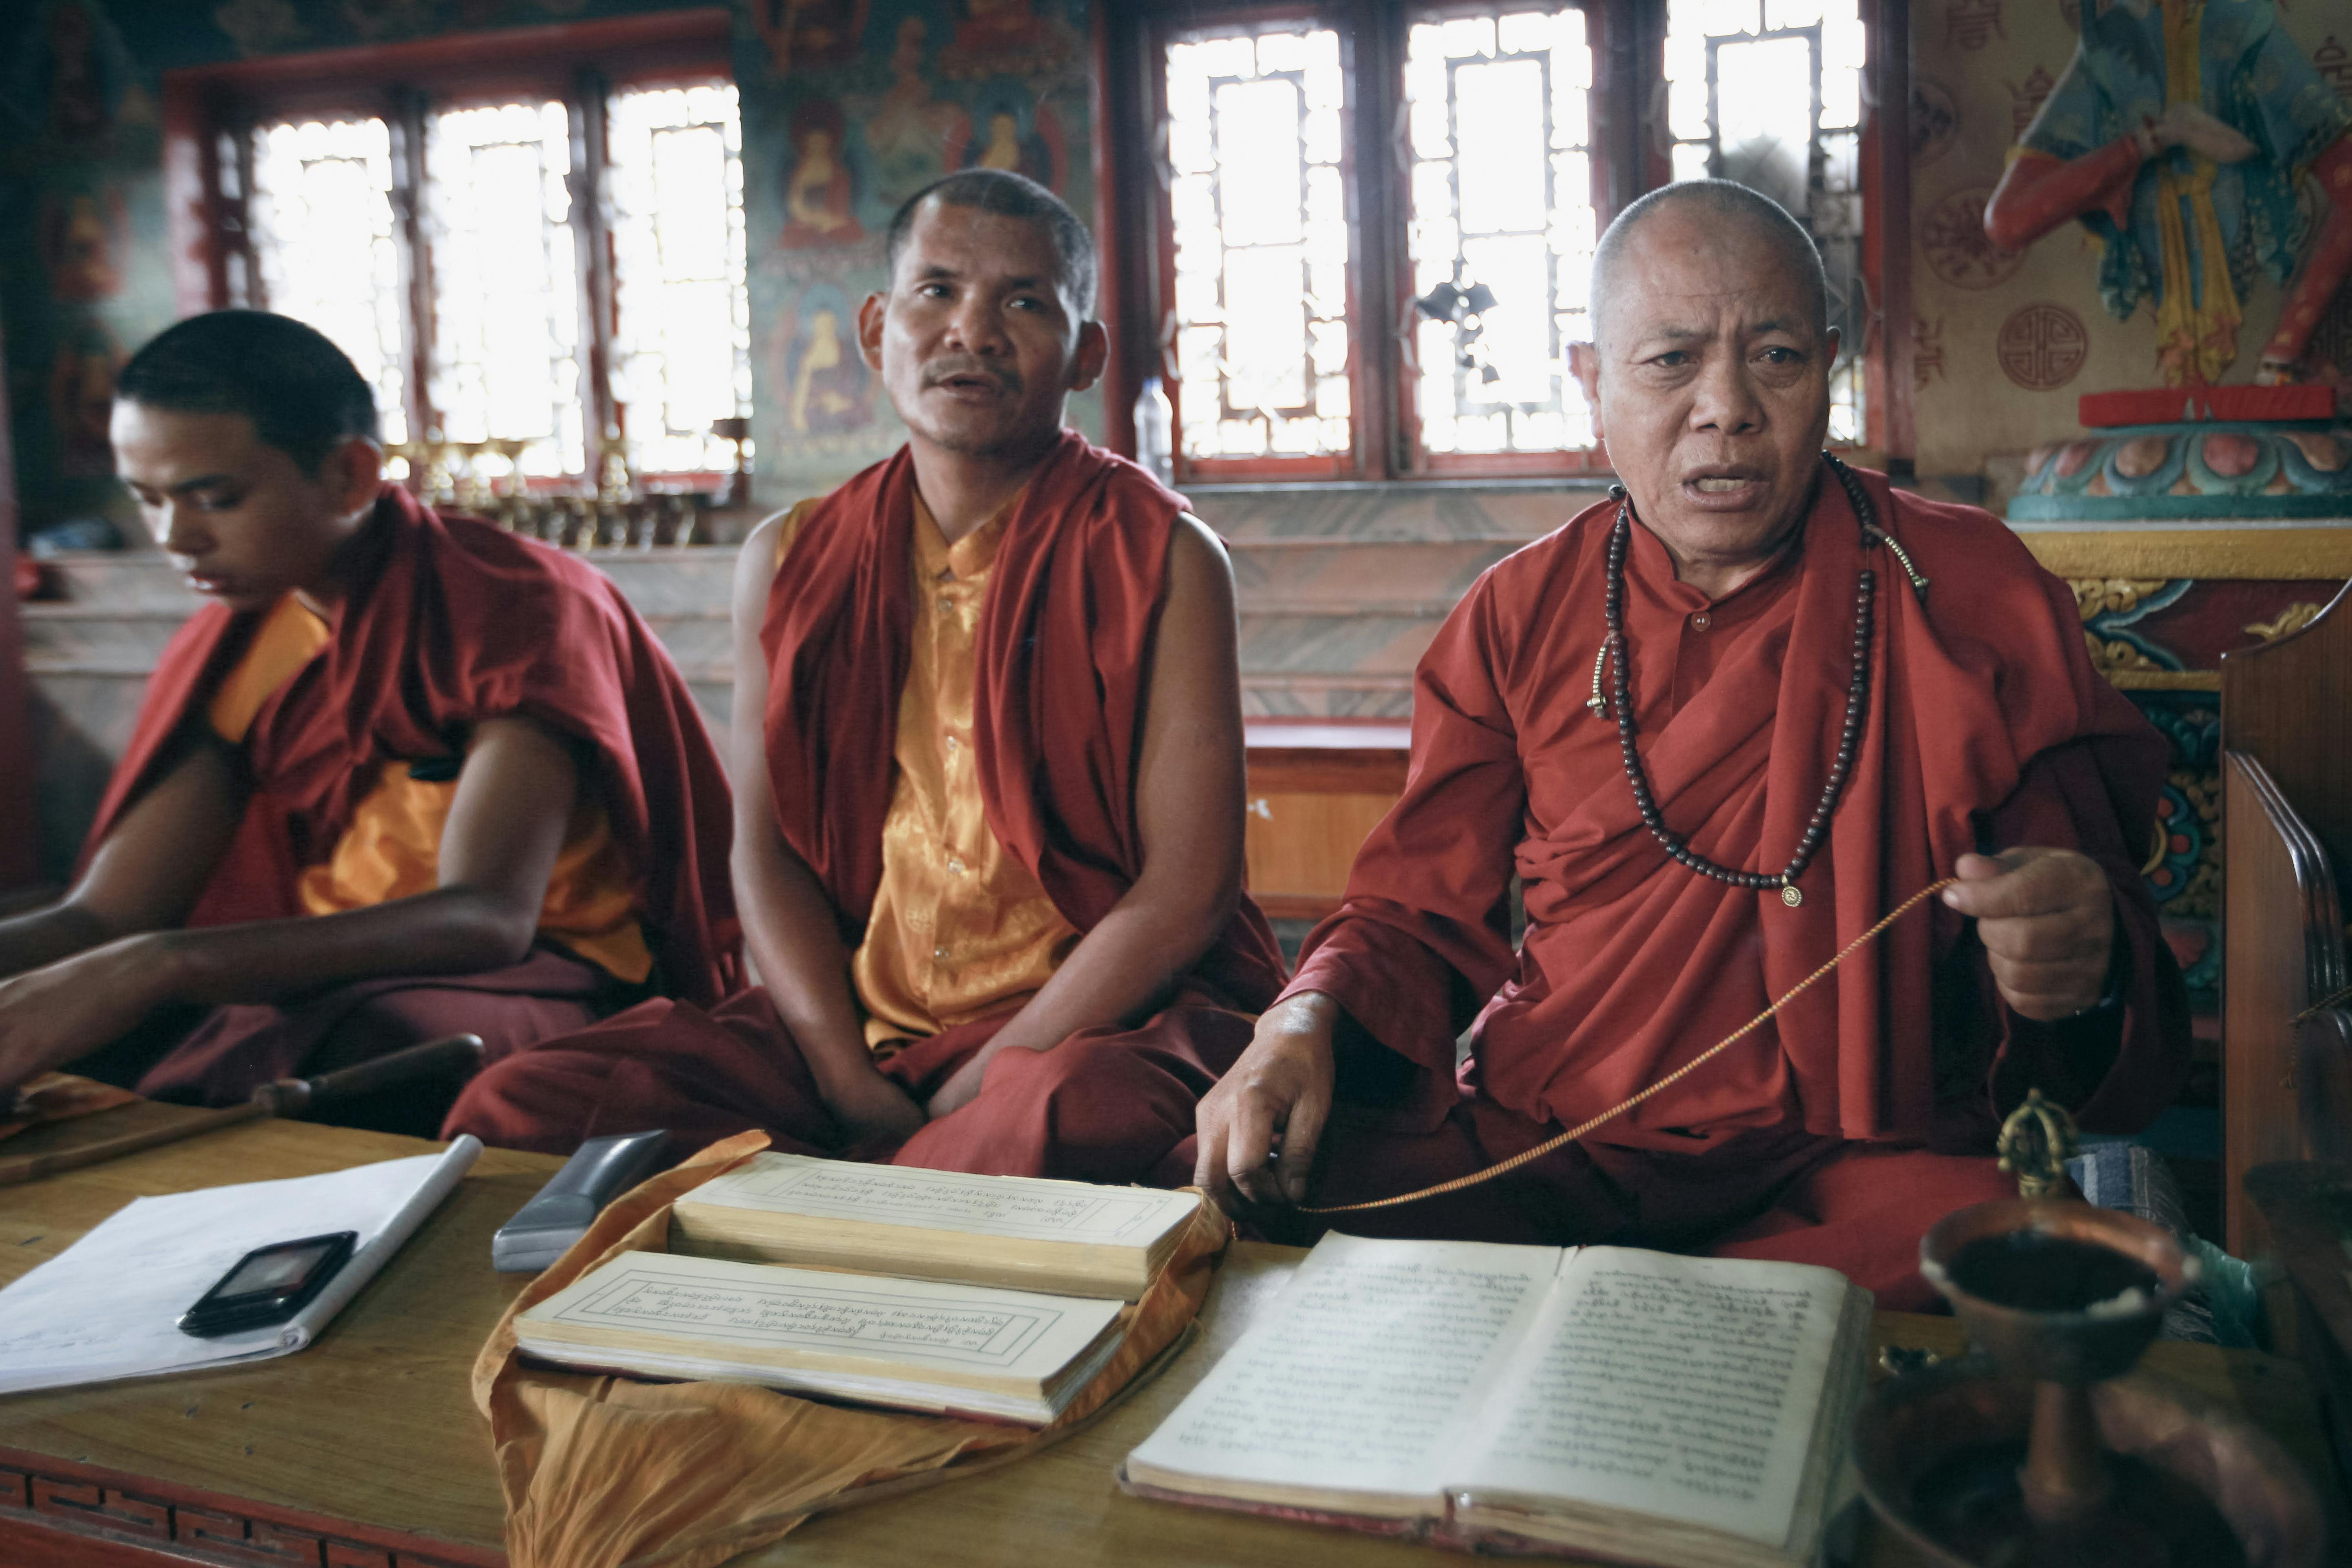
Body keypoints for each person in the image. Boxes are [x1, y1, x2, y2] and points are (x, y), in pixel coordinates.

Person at [1195, 182, 2191, 1312]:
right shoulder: (1517, 614)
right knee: (1250, 1195)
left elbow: (2086, 919)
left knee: (1983, 1256)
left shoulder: (1971, 593)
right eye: (1671, 361)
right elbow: (1411, 917)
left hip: (1852, 1167)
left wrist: (2083, 953)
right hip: (1553, 1149)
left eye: (1774, 357)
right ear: (1593, 382)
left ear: (1830, 371)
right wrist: (1298, 1023)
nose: (1727, 408)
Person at [447, 170, 1286, 1182]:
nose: (970, 330)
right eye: (936, 291)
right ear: (874, 327)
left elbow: (1185, 892)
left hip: (1085, 1028)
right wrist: (841, 1074)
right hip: (858, 1026)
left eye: (1023, 302)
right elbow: (762, 852)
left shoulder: (1161, 555)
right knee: (524, 1102)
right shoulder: (792, 555)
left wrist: (979, 1084)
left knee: (1066, 1120)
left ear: (1085, 354)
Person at [0, 311, 737, 1114]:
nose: (177, 538)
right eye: (148, 501)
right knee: (86, 1032)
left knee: (343, 1046)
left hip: (545, 976)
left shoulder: (520, 608)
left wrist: (159, 964)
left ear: (350, 476)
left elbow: (487, 918)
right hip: (336, 970)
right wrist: (115, 967)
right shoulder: (239, 645)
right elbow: (109, 917)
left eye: (213, 498)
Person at [1984, 0, 2352, 385]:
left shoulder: (2246, 30)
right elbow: (2007, 222)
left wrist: (2285, 349)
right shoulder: (2109, 45)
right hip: (2154, 266)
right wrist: (2147, 143)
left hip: (2243, 270)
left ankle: (2278, 363)